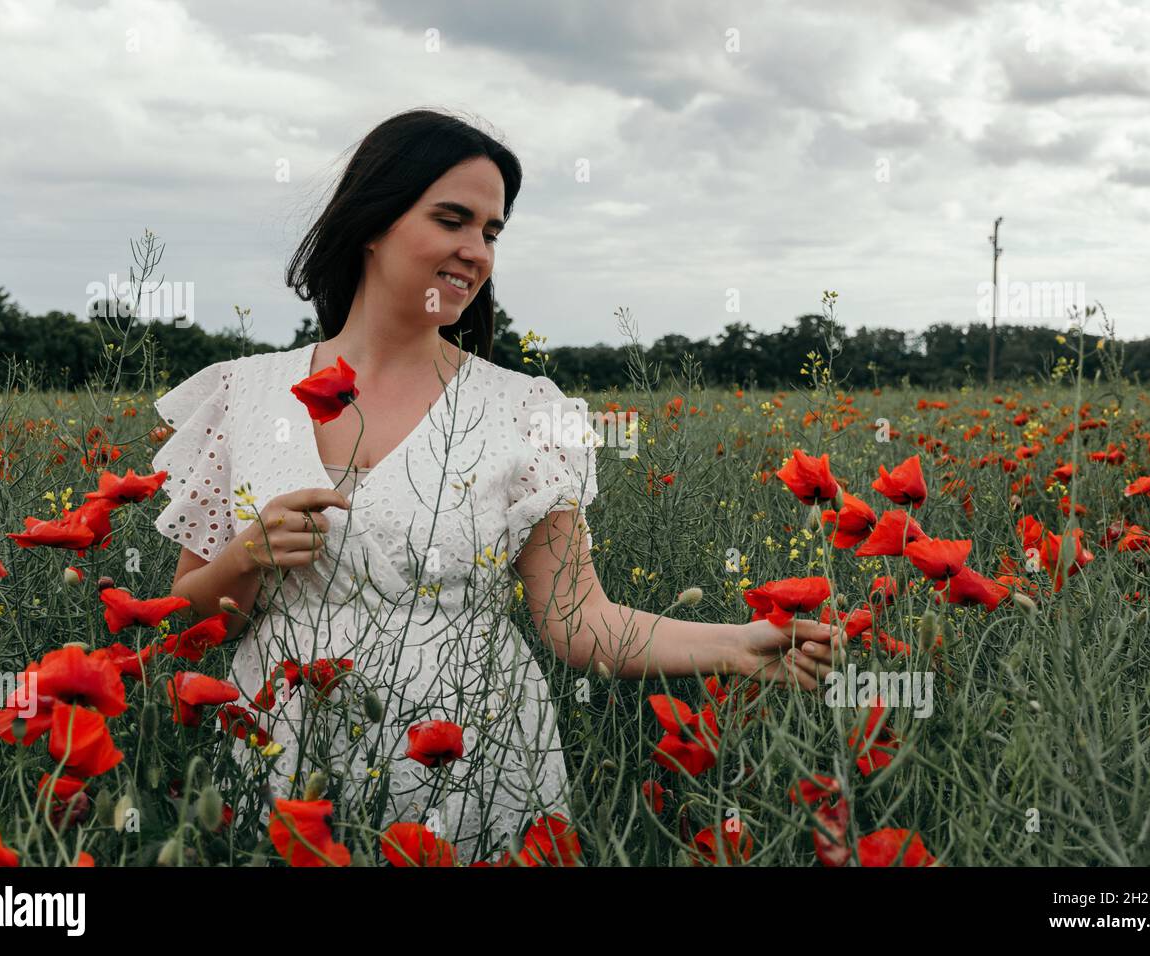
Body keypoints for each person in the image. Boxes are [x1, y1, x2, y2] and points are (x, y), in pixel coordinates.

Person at [152, 108, 836, 865]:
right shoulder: (242, 397)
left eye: (491, 232)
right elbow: (184, 623)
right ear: (372, 223)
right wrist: (247, 555)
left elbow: (580, 622)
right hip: (283, 755)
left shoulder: (528, 412)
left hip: (480, 758)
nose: (474, 252)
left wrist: (738, 647)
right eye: (452, 220)